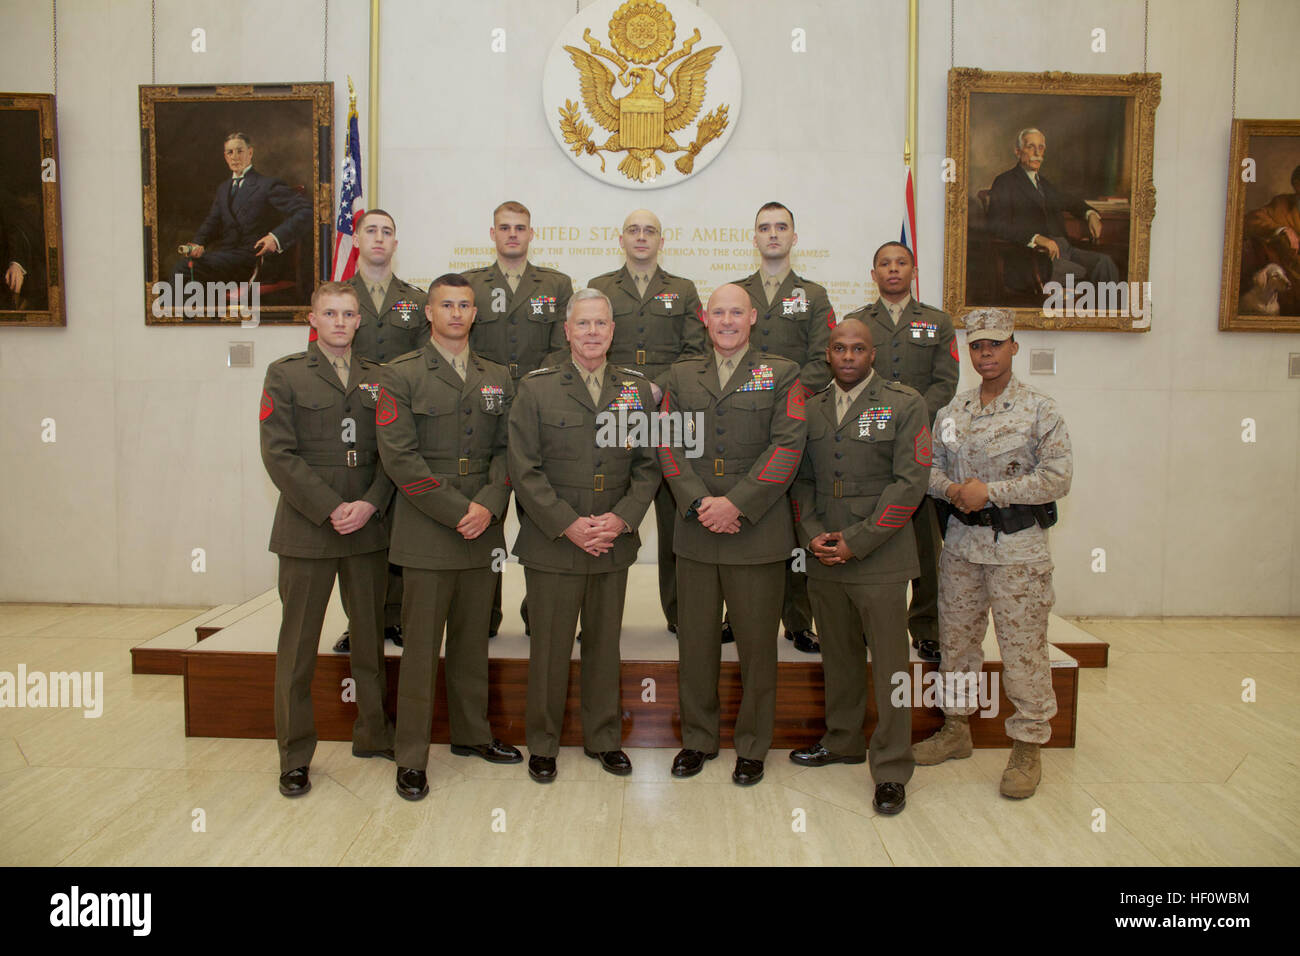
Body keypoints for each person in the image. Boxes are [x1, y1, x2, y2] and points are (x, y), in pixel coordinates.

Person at [911, 308, 1073, 799]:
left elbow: (1058, 478)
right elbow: (929, 471)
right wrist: (955, 491)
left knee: (1023, 648)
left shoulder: (1040, 410)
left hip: (1017, 551)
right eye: (978, 346)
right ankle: (956, 728)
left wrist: (993, 492)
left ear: (1013, 347)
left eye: (995, 344)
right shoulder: (952, 414)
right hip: (961, 546)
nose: (986, 354)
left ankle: (1027, 744)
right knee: (957, 644)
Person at [375, 273, 521, 801]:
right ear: (429, 313)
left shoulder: (498, 375)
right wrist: (459, 509)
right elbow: (398, 456)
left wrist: (489, 503)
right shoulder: (401, 375)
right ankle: (411, 756)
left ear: (475, 313)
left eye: (465, 305)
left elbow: (510, 450)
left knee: (469, 641)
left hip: (482, 527)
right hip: (428, 527)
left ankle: (472, 734)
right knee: (420, 650)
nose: (456, 313)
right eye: (446, 305)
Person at [508, 289, 659, 783]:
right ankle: (544, 743)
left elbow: (647, 464)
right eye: (583, 324)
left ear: (613, 331)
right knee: (549, 648)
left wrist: (621, 519)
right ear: (567, 330)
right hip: (554, 542)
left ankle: (603, 738)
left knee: (603, 645)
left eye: (601, 324)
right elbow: (524, 469)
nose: (593, 332)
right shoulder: (536, 388)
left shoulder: (636, 390)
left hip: (611, 540)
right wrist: (569, 524)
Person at [659, 283, 807, 787]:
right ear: (705, 318)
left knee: (757, 649)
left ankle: (752, 746)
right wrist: (702, 503)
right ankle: (698, 740)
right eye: (718, 312)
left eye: (735, 313)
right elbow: (668, 444)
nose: (726, 321)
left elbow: (787, 447)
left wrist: (736, 504)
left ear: (753, 318)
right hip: (697, 531)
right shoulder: (681, 375)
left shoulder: (782, 373)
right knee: (695, 646)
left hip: (756, 533)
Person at [788, 319, 930, 815]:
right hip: (825, 554)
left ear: (873, 354)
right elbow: (800, 481)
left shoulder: (904, 403)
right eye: (839, 348)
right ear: (827, 354)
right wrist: (813, 537)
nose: (848, 355)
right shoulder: (810, 408)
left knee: (891, 665)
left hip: (880, 557)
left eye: (858, 348)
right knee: (840, 657)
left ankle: (891, 766)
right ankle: (843, 739)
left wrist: (859, 540)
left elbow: (910, 484)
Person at [259, 281, 395, 798]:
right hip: (308, 530)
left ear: (359, 321)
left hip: (367, 528)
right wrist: (329, 507)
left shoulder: (381, 379)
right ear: (312, 319)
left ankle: (374, 733)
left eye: (349, 313)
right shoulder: (287, 374)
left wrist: (371, 503)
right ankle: (294, 755)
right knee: (297, 649)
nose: (340, 322)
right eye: (331, 313)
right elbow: (279, 454)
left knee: (369, 641)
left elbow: (393, 453)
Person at [587, 208, 705, 633]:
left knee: (678, 520)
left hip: (670, 412)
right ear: (621, 239)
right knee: (611, 508)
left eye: (649, 231)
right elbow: (593, 346)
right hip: (616, 414)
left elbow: (695, 352)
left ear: (661, 240)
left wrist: (657, 386)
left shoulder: (684, 289)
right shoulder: (600, 287)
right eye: (633, 230)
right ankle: (597, 617)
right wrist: (629, 393)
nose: (641, 237)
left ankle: (682, 616)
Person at [463, 201, 576, 638]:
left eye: (520, 228)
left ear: (532, 234)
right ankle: (484, 614)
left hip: (538, 410)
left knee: (539, 515)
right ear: (491, 233)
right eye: (504, 228)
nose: (513, 234)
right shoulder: (471, 284)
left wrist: (527, 389)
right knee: (485, 512)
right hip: (482, 410)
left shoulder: (555, 283)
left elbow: (560, 347)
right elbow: (461, 342)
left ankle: (538, 612)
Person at [842, 241, 958, 661]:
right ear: (873, 274)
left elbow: (945, 383)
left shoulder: (937, 322)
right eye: (884, 264)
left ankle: (926, 625)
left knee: (925, 540)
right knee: (868, 528)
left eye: (901, 263)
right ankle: (866, 623)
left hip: (917, 443)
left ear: (913, 270)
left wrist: (906, 419)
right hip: (866, 444)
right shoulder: (857, 321)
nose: (893, 270)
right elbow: (847, 375)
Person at [733, 202, 833, 654]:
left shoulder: (813, 295)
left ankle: (797, 618)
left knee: (795, 522)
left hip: (794, 422)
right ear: (753, 238)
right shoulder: (736, 292)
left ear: (794, 237)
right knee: (739, 512)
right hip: (740, 423)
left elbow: (822, 360)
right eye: (764, 228)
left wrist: (783, 394)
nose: (772, 234)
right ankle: (735, 616)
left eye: (781, 227)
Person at [332, 208, 428, 655]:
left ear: (395, 243)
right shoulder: (338, 297)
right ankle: (361, 624)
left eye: (387, 232)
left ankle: (400, 618)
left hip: (404, 424)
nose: (379, 238)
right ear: (356, 240)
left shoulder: (415, 299)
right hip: (357, 423)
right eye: (371, 230)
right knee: (363, 534)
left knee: (403, 526)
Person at [169, 131, 312, 287]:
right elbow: (212, 222)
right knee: (187, 271)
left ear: (250, 153)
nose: (235, 156)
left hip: (254, 260)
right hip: (227, 258)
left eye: (240, 151)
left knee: (182, 270)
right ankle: (187, 312)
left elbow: (305, 211)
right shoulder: (223, 189)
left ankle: (174, 311)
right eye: (230, 152)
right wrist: (197, 244)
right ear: (225, 157)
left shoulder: (267, 185)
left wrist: (275, 238)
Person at [986, 128, 1118, 292]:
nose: (1036, 152)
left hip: (1064, 250)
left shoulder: (1044, 184)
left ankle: (1110, 317)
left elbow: (1071, 201)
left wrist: (1090, 214)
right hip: (1033, 257)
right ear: (1018, 151)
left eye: (1040, 148)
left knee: (1104, 263)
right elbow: (997, 225)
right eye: (1030, 147)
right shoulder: (1005, 182)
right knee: (1084, 273)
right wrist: (1036, 238)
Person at [1245, 164, 1300, 313]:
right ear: (1296, 185)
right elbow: (1251, 220)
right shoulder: (1282, 204)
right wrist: (1282, 230)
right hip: (1288, 279)